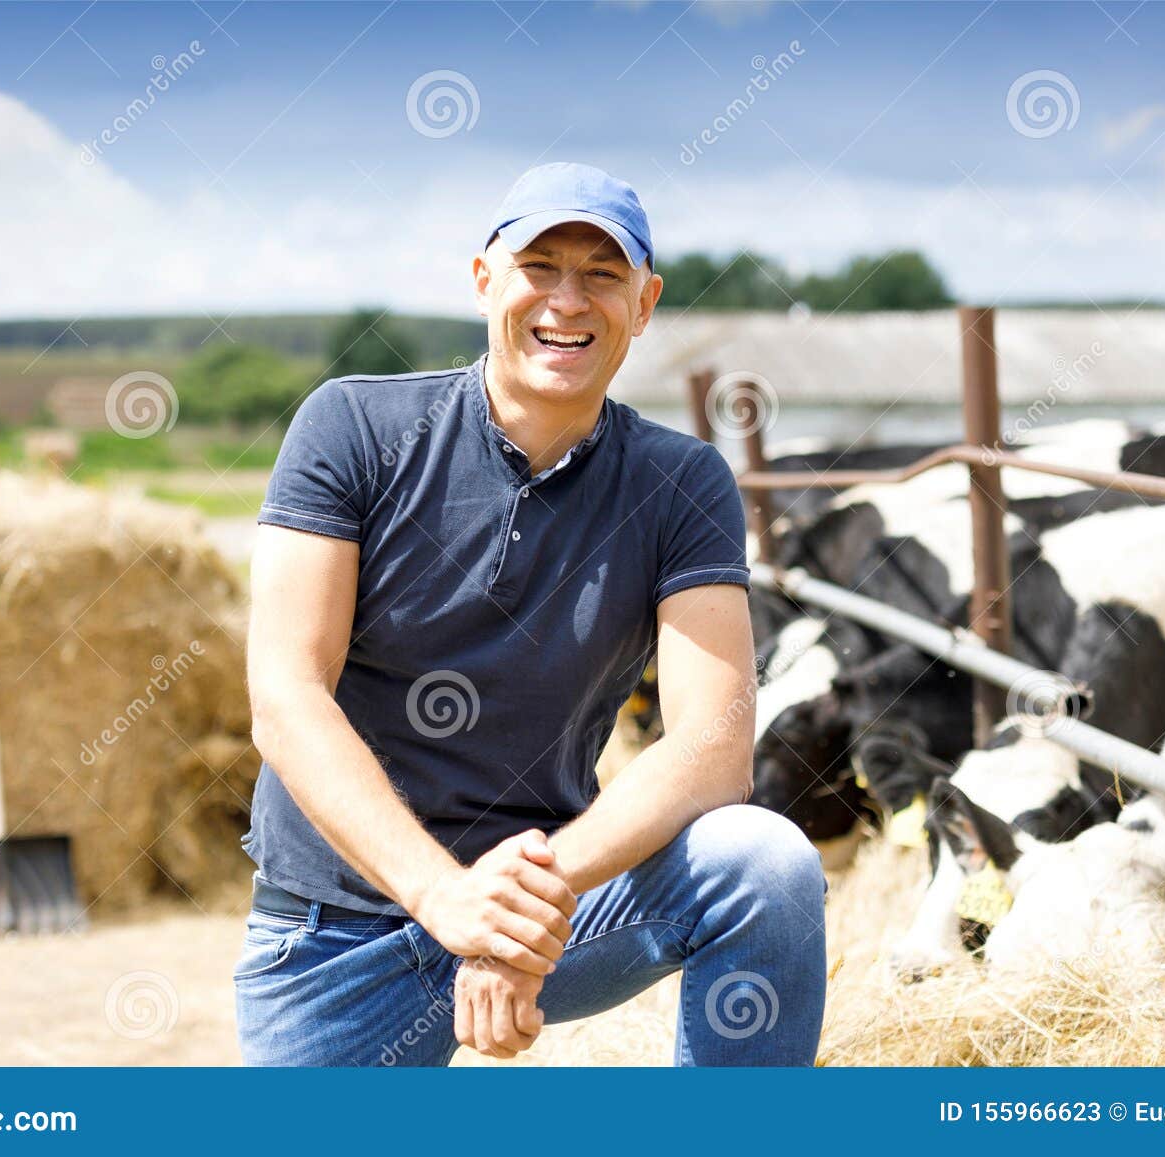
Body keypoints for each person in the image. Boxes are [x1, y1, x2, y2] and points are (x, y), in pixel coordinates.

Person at [237, 161, 826, 1066]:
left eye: (602, 274)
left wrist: (518, 911)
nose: (568, 300)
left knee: (765, 864)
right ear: (484, 280)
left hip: (555, 907)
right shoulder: (350, 427)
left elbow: (713, 751)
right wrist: (446, 898)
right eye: (539, 266)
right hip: (338, 930)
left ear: (645, 301)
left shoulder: (680, 482)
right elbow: (286, 696)